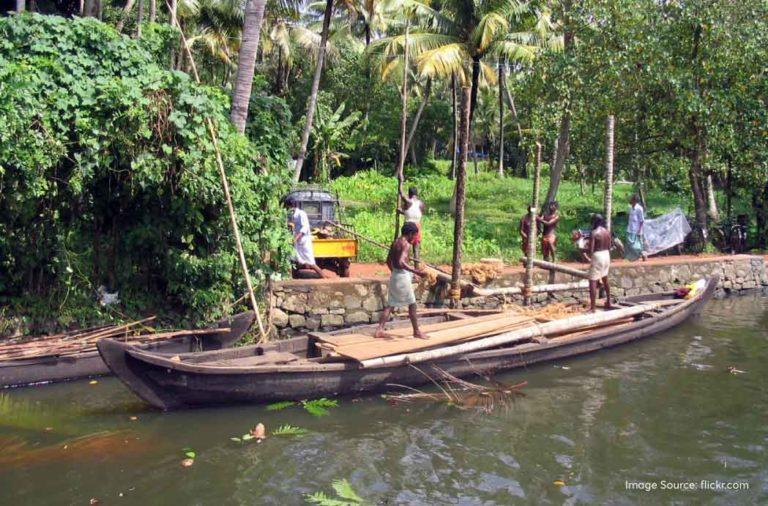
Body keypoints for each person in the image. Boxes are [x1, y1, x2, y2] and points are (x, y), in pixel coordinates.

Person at [375, 222, 429, 339]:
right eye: (415, 235)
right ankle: (416, 331)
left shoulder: (395, 242)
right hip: (402, 278)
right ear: (410, 233)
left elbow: (388, 261)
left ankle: (379, 330)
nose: (414, 238)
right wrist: (416, 272)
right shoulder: (406, 244)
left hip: (395, 275)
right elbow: (401, 262)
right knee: (412, 305)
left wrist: (396, 273)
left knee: (390, 305)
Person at [286, 197, 325, 278]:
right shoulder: (293, 214)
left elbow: (305, 228)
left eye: (288, 207)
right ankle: (294, 277)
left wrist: (296, 238)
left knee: (310, 261)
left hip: (304, 241)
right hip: (298, 241)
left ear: (291, 206)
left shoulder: (301, 214)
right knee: (294, 259)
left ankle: (324, 277)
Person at [587, 214, 612, 312]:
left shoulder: (594, 233)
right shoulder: (607, 232)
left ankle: (593, 308)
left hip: (598, 256)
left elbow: (591, 249)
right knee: (605, 278)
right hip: (606, 254)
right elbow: (609, 246)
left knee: (592, 281)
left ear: (594, 222)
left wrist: (583, 251)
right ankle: (609, 301)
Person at [398, 186, 426, 265]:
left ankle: (404, 265)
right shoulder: (421, 204)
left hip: (408, 226)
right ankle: (416, 268)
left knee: (405, 246)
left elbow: (401, 193)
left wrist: (401, 182)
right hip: (417, 226)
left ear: (409, 194)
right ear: (416, 194)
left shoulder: (408, 202)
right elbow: (416, 213)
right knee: (416, 248)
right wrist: (403, 212)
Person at [625, 195, 647, 261]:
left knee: (638, 244)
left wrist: (639, 230)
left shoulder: (639, 208)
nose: (630, 200)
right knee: (630, 243)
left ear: (634, 200)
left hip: (636, 230)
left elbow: (642, 220)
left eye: (631, 199)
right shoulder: (630, 207)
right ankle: (635, 256)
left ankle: (643, 254)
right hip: (630, 228)